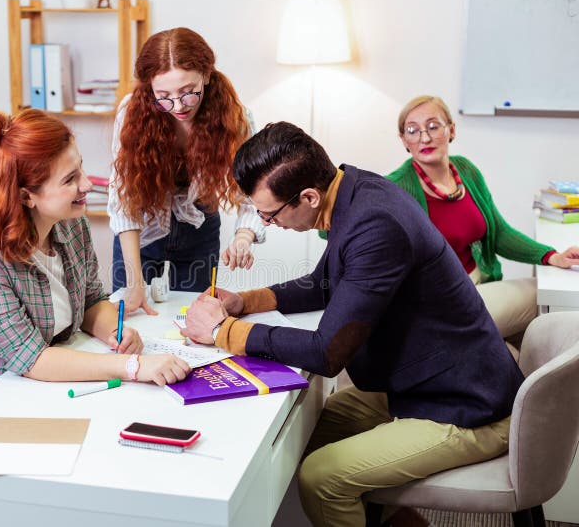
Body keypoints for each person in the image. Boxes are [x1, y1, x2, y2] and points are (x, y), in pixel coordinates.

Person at [181, 122, 524, 527]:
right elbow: (321, 284)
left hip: (465, 405)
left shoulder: (376, 226)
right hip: (421, 379)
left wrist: (223, 333)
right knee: (299, 438)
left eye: (269, 215)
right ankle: (397, 519)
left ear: (309, 196)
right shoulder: (354, 191)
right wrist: (244, 302)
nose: (267, 224)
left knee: (320, 476)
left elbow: (326, 353)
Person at [0, 109, 190, 423]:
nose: (86, 185)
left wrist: (114, 333)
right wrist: (134, 367)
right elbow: (32, 359)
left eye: (80, 168)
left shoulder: (68, 224)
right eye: (70, 179)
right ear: (27, 196)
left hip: (33, 392)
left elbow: (92, 301)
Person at [388, 95, 579, 344]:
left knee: (533, 326)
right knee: (541, 298)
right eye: (412, 131)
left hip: (479, 284)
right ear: (404, 140)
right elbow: (345, 223)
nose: (424, 138)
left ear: (451, 130)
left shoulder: (465, 170)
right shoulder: (397, 186)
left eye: (433, 126)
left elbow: (498, 232)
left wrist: (551, 256)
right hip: (442, 302)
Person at [108, 27, 265, 316]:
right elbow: (122, 199)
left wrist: (243, 237)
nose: (178, 106)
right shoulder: (130, 112)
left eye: (187, 93)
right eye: (163, 96)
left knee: (194, 319)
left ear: (206, 75)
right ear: (149, 89)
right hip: (140, 230)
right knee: (130, 318)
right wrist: (134, 282)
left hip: (200, 228)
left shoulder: (235, 117)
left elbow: (253, 192)